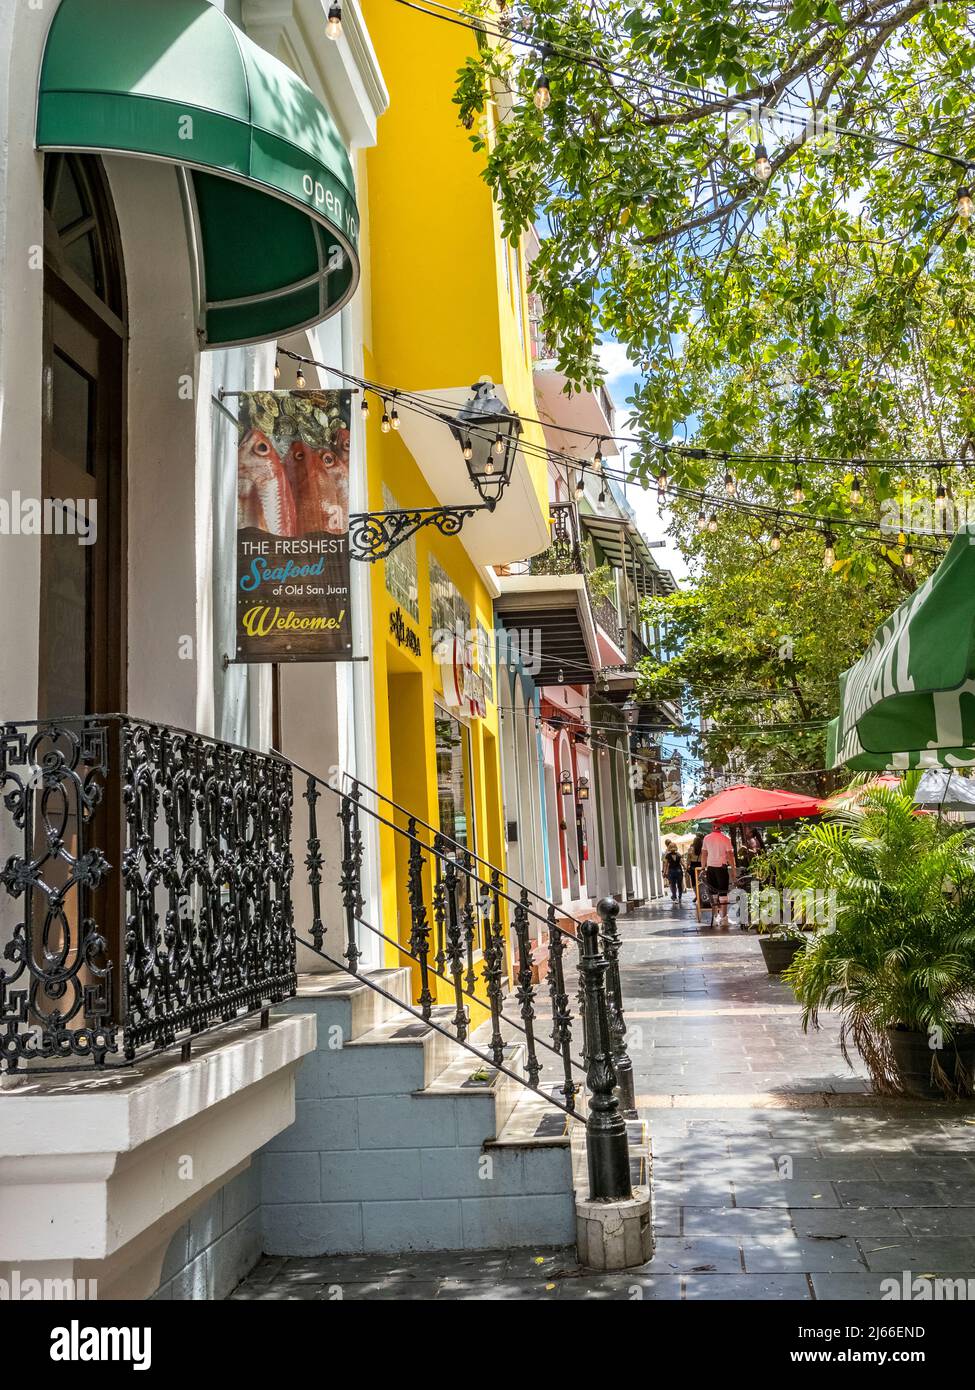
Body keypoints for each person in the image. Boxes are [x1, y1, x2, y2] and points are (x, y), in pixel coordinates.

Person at [701, 821, 737, 928]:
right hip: (721, 868)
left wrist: (703, 868)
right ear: (721, 828)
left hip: (710, 868)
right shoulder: (725, 839)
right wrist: (734, 870)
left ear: (712, 827)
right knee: (723, 892)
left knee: (713, 892)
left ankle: (716, 916)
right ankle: (724, 917)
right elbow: (730, 855)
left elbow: (704, 853)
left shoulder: (707, 838)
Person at [662, 838, 685, 903]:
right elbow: (682, 863)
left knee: (673, 884)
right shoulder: (678, 855)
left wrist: (664, 872)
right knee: (679, 885)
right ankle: (680, 897)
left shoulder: (667, 856)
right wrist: (686, 868)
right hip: (679, 871)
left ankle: (674, 896)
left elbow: (666, 865)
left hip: (671, 871)